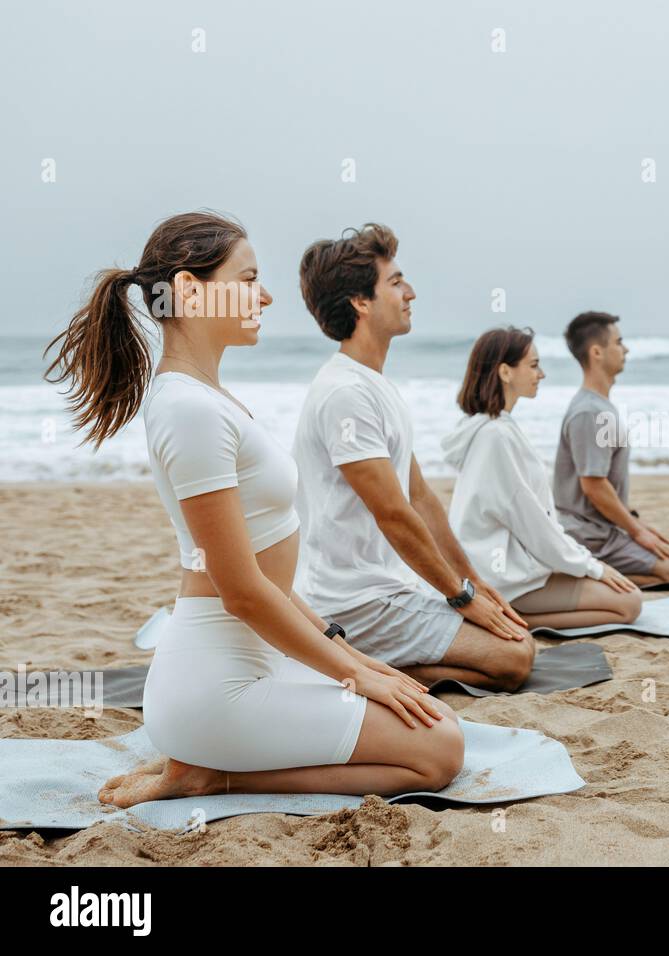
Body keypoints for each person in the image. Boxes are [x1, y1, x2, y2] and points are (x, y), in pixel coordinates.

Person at [42, 211, 461, 808]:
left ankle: (205, 764)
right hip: (218, 686)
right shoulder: (189, 410)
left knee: (422, 708)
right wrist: (353, 675)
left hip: (259, 659)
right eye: (247, 279)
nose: (263, 295)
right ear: (190, 290)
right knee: (439, 750)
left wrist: (352, 654)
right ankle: (210, 776)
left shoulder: (208, 397)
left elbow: (266, 576)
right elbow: (239, 589)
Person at [293, 224, 535, 693]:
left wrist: (473, 582)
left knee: (513, 633)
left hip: (385, 587)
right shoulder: (345, 393)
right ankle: (355, 666)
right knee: (514, 657)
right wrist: (459, 597)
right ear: (361, 302)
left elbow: (420, 497)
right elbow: (393, 514)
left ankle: (361, 663)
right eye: (396, 282)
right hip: (353, 600)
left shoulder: (374, 384)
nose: (411, 293)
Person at [441, 326, 643, 629]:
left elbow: (534, 523)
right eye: (534, 365)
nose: (542, 374)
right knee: (629, 604)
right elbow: (532, 523)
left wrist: (583, 563)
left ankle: (517, 614)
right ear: (506, 372)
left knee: (619, 590)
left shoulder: (490, 428)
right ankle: (515, 618)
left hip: (509, 567)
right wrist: (592, 567)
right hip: (506, 580)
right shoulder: (496, 437)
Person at [552, 311, 669, 585]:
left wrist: (635, 523)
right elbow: (593, 485)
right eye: (618, 342)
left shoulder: (598, 405)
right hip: (588, 536)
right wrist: (637, 532)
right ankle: (591, 575)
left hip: (603, 529)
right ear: (596, 352)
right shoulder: (589, 412)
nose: (625, 349)